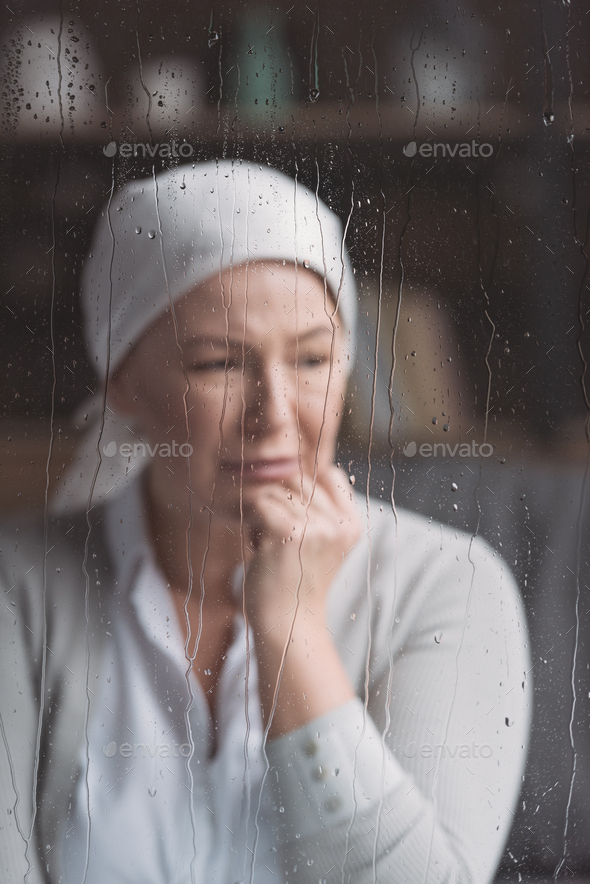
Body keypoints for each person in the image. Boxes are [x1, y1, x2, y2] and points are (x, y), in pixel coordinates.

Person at [0, 160, 531, 884]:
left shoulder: (451, 586)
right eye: (219, 364)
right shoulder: (18, 587)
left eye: (314, 359)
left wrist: (293, 630)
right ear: (120, 378)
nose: (276, 415)